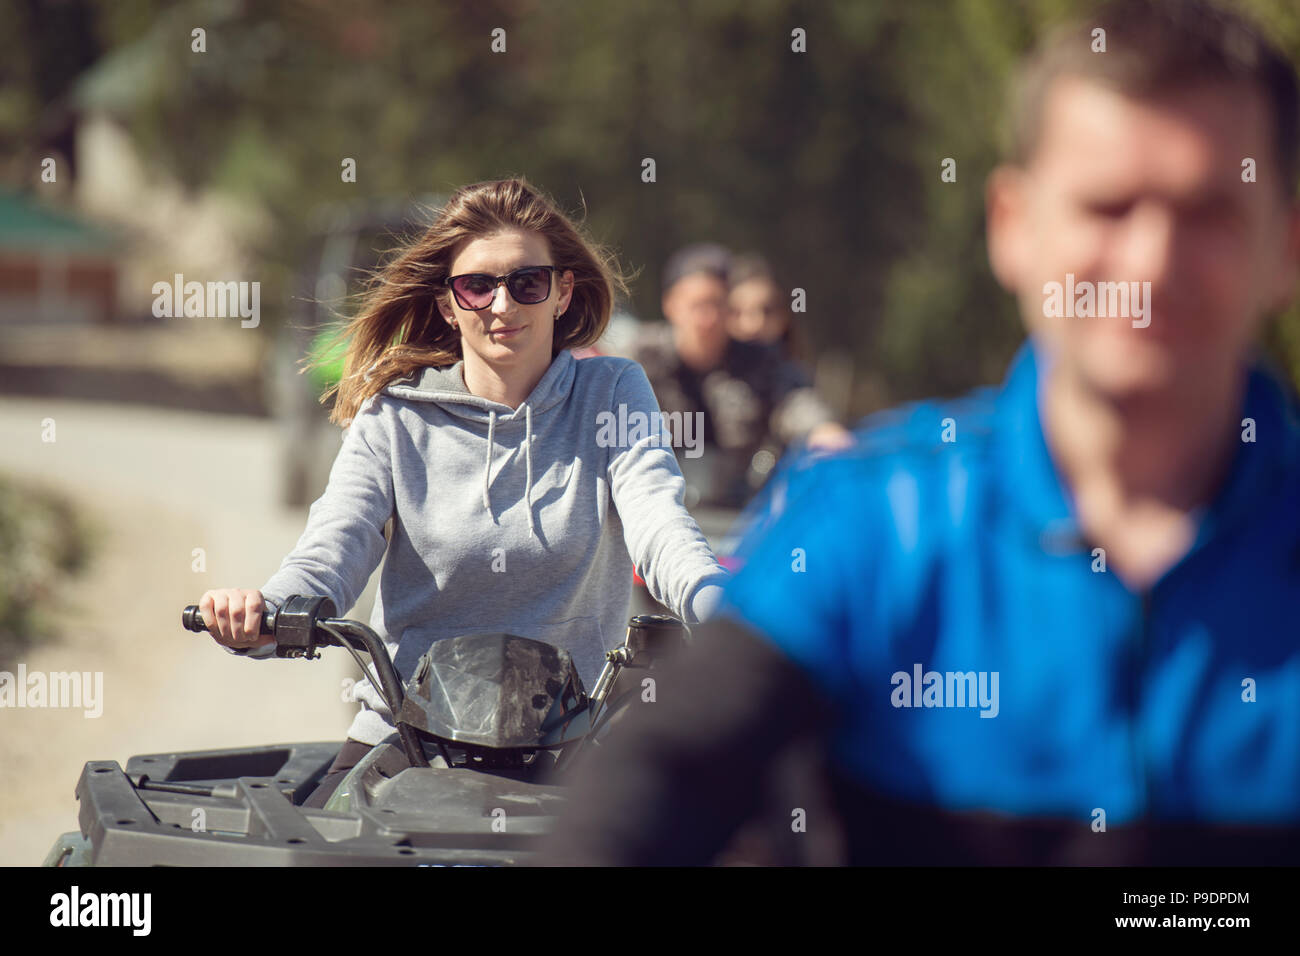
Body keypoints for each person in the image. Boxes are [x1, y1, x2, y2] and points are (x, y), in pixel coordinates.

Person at [543, 0, 1300, 865]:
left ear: (1286, 245)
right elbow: (656, 779)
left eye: (1207, 212)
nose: (1151, 264)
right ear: (1013, 227)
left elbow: (798, 405)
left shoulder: (781, 387)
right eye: (1108, 207)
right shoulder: (875, 521)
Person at [197, 177, 730, 808]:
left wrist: (719, 603)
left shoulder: (612, 392)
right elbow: (333, 547)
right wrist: (266, 609)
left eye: (526, 282)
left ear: (562, 292)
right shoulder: (393, 412)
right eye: (477, 285)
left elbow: (659, 520)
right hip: (406, 735)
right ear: (450, 304)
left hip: (576, 742)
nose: (501, 305)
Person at [628, 243, 852, 507]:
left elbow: (795, 403)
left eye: (718, 305)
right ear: (671, 305)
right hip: (653, 510)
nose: (708, 318)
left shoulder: (759, 362)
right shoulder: (637, 361)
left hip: (737, 515)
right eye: (698, 306)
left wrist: (824, 431)